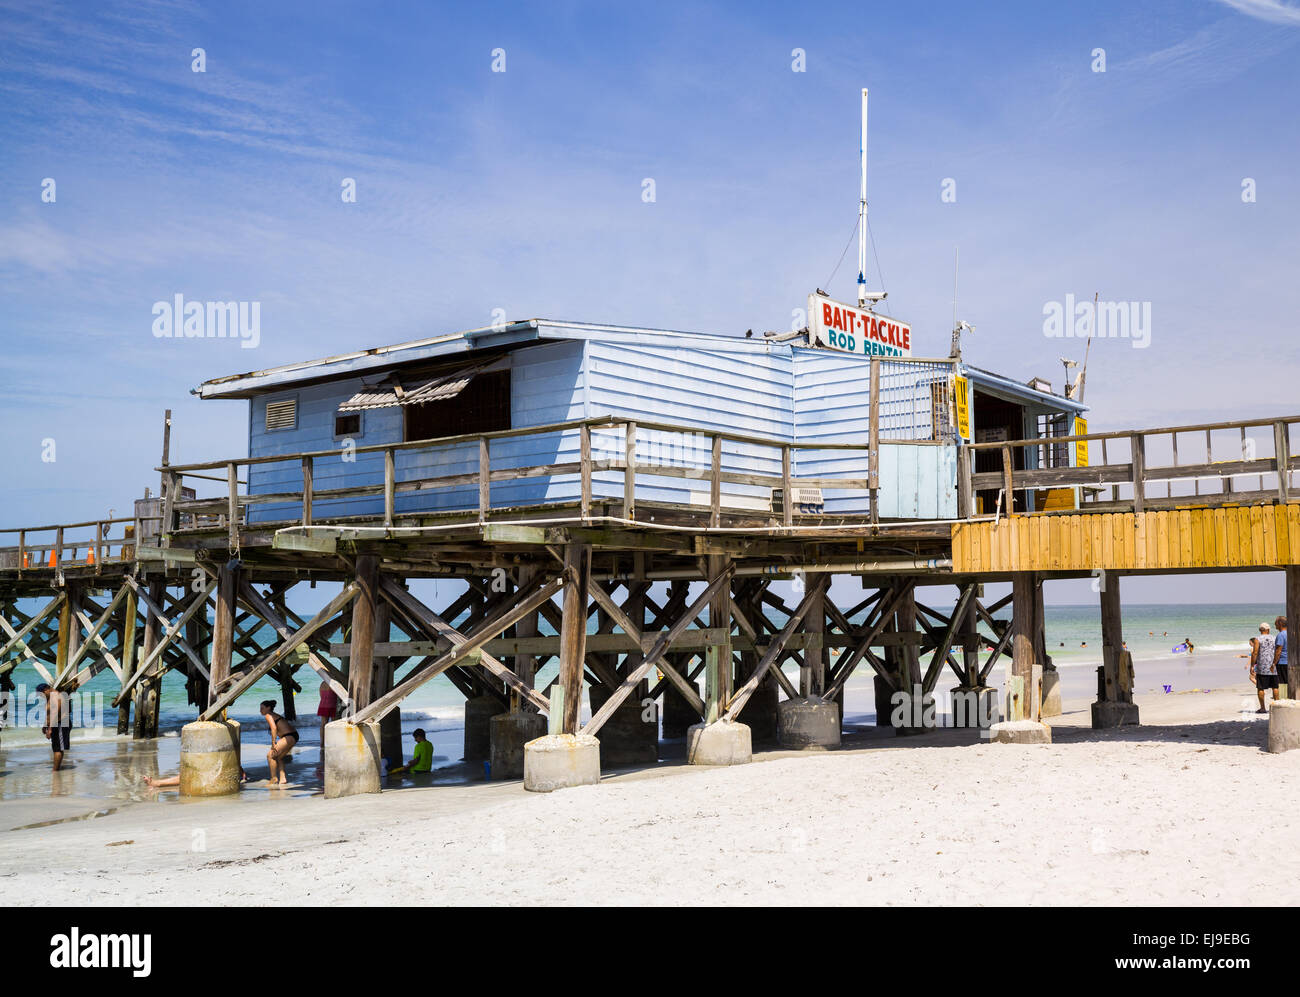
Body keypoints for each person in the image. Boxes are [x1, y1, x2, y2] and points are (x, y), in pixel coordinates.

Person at [260, 700, 298, 785]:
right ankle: (282, 778)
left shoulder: (268, 715)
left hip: (289, 736)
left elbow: (274, 728)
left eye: (262, 708)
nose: (260, 710)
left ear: (268, 708)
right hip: (294, 735)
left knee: (270, 755)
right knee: (278, 757)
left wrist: (273, 742)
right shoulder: (274, 715)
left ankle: (274, 778)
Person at [36, 683, 72, 771]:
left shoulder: (55, 697)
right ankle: (57, 768)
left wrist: (50, 729)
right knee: (57, 748)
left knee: (57, 749)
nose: (42, 697)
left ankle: (55, 771)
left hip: (60, 724)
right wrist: (45, 725)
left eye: (42, 694)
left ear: (46, 690)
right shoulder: (50, 697)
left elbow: (56, 714)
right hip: (57, 724)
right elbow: (49, 713)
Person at [1250, 623, 1279, 714]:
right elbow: (1278, 650)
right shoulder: (1275, 638)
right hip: (1273, 666)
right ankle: (1276, 707)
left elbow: (1255, 653)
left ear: (1260, 630)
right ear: (1268, 630)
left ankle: (1263, 708)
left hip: (1262, 666)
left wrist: (1252, 665)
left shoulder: (1257, 639)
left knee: (1260, 688)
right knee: (1275, 687)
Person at [1274, 616, 1289, 691]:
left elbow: (1278, 651)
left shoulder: (1281, 635)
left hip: (1282, 662)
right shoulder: (1290, 633)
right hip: (1290, 662)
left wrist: (1274, 663)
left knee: (1282, 683)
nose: (1274, 624)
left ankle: (1284, 698)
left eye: (1276, 622)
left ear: (1280, 623)